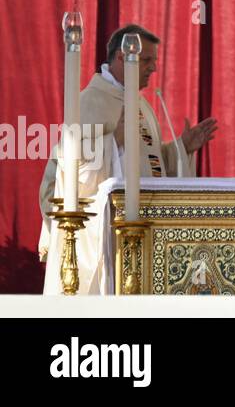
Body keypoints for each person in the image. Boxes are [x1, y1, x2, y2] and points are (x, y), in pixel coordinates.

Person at [38, 24, 219, 293]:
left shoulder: (141, 104)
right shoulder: (90, 101)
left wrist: (181, 147)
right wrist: (113, 141)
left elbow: (147, 167)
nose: (153, 68)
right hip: (106, 234)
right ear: (123, 57)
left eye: (154, 61)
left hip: (143, 228)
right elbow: (70, 174)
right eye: (147, 60)